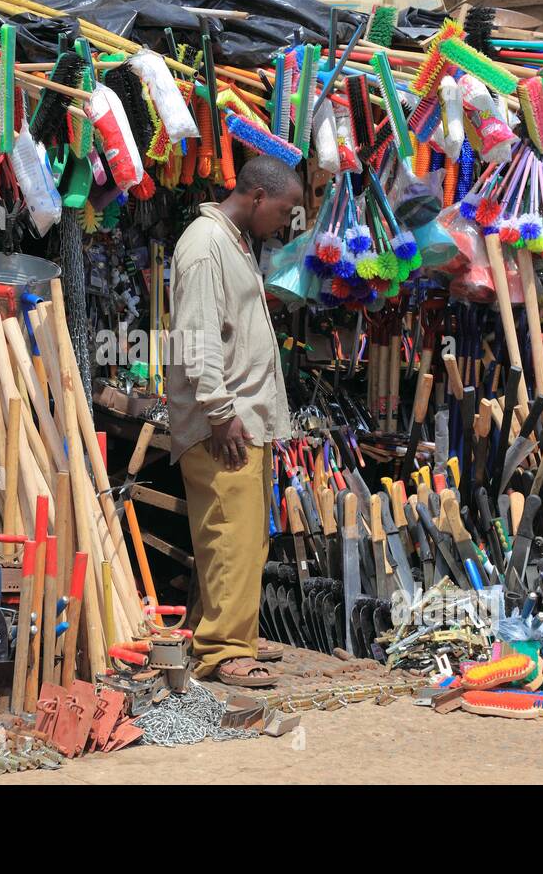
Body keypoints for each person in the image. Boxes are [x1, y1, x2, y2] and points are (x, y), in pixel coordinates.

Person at [166, 155, 302, 687]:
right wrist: (220, 413)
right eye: (286, 210)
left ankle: (227, 634)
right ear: (259, 196)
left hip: (242, 416)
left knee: (242, 538)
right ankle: (223, 650)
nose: (287, 223)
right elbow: (197, 337)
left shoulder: (232, 241)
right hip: (224, 421)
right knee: (230, 533)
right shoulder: (205, 245)